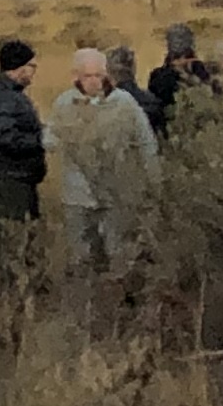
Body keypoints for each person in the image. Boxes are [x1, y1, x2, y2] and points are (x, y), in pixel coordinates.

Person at [51, 48, 158, 271]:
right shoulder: (64, 103)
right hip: (78, 194)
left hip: (115, 193)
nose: (93, 81)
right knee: (80, 256)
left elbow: (145, 140)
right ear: (76, 76)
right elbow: (51, 137)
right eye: (87, 75)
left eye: (98, 75)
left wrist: (153, 178)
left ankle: (116, 289)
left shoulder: (124, 103)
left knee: (117, 253)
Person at [0, 40, 47, 271]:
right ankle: (13, 288)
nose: (34, 71)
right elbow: (7, 140)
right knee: (13, 245)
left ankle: (24, 286)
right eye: (31, 66)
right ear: (19, 68)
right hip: (9, 182)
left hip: (18, 180)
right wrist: (42, 140)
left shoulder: (10, 97)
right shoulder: (3, 100)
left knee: (22, 242)